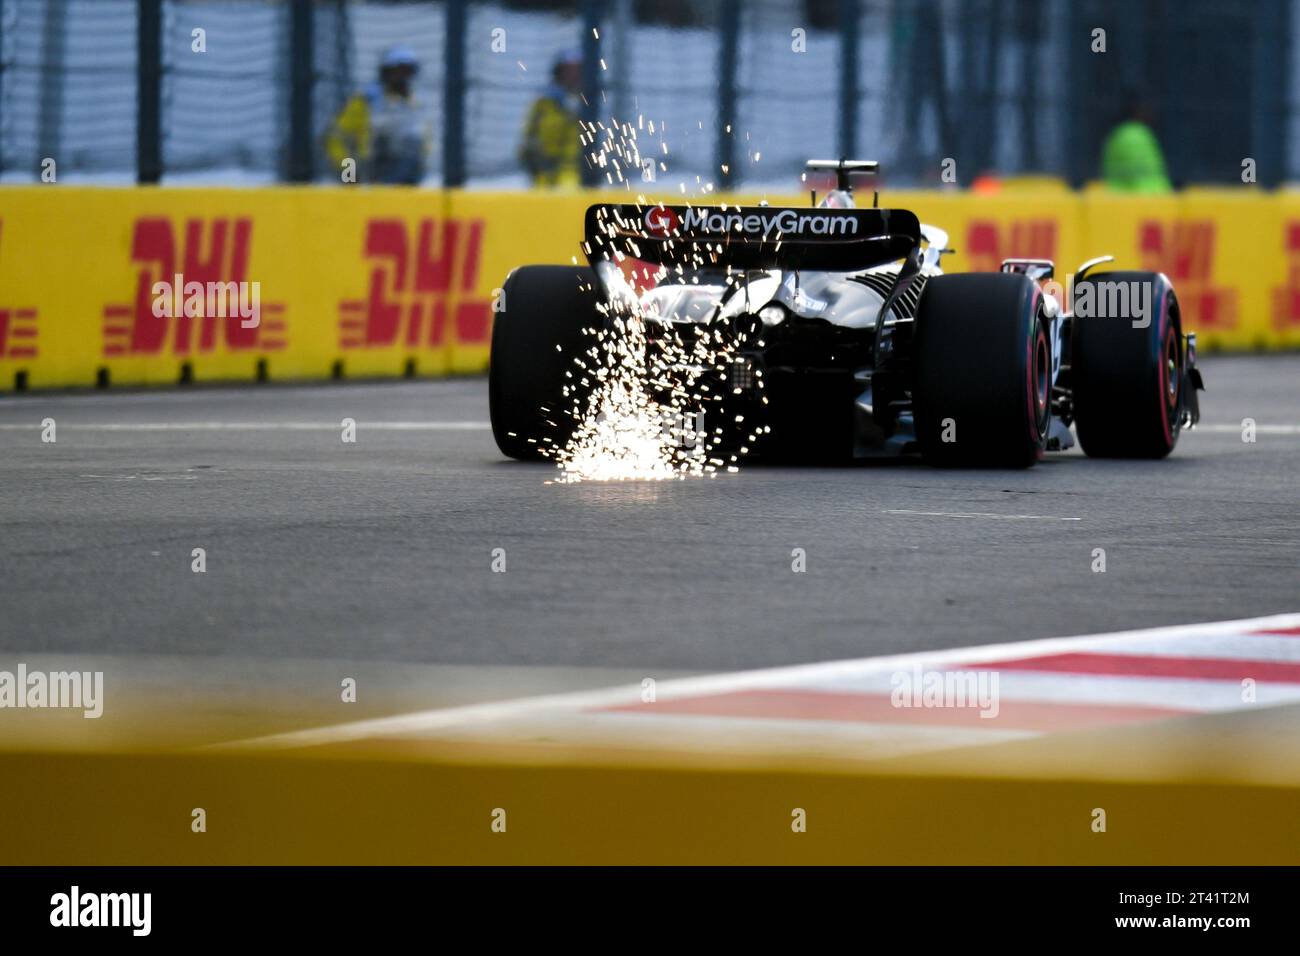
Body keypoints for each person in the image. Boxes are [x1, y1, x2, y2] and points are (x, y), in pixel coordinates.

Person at [327, 46, 428, 185]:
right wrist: (349, 175)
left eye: (407, 72)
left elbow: (423, 146)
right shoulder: (366, 100)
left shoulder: (415, 105)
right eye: (397, 72)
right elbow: (337, 139)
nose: (402, 78)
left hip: (406, 181)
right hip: (368, 177)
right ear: (386, 72)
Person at [519, 49, 583, 188]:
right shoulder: (544, 102)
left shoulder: (590, 103)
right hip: (544, 172)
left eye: (577, 70)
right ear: (558, 72)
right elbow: (529, 135)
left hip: (575, 172)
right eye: (568, 70)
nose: (572, 75)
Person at [1101, 97, 1172, 193]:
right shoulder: (1136, 135)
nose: (1152, 113)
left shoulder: (1118, 135)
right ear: (1137, 110)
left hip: (1118, 195)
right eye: (1147, 108)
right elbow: (1138, 177)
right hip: (1143, 197)